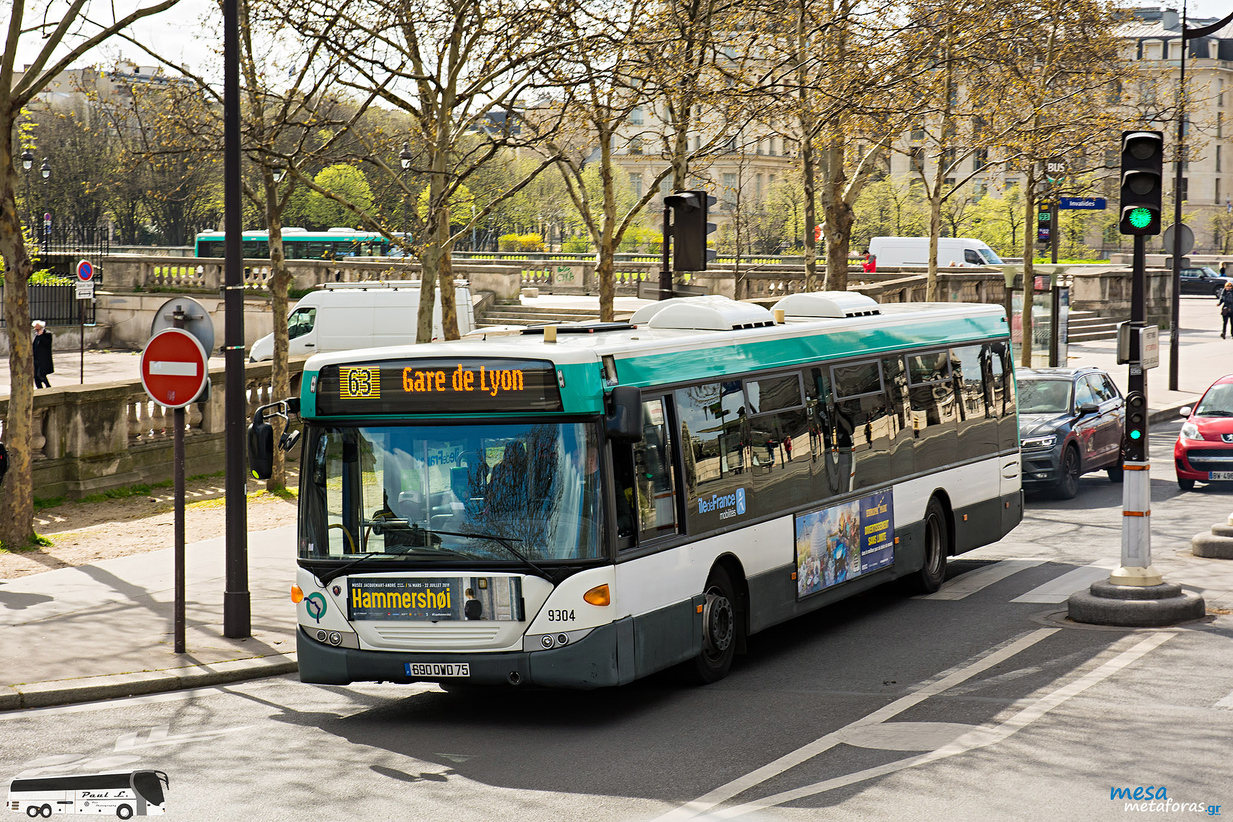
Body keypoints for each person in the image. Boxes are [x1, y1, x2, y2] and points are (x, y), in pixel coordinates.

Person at [32, 320, 53, 389]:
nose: (36, 329)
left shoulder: (47, 334)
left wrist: (41, 335)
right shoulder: (36, 335)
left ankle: (48, 386)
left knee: (41, 374)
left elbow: (47, 344)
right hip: (36, 358)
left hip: (43, 359)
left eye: (37, 328)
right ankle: (39, 388)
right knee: (35, 376)